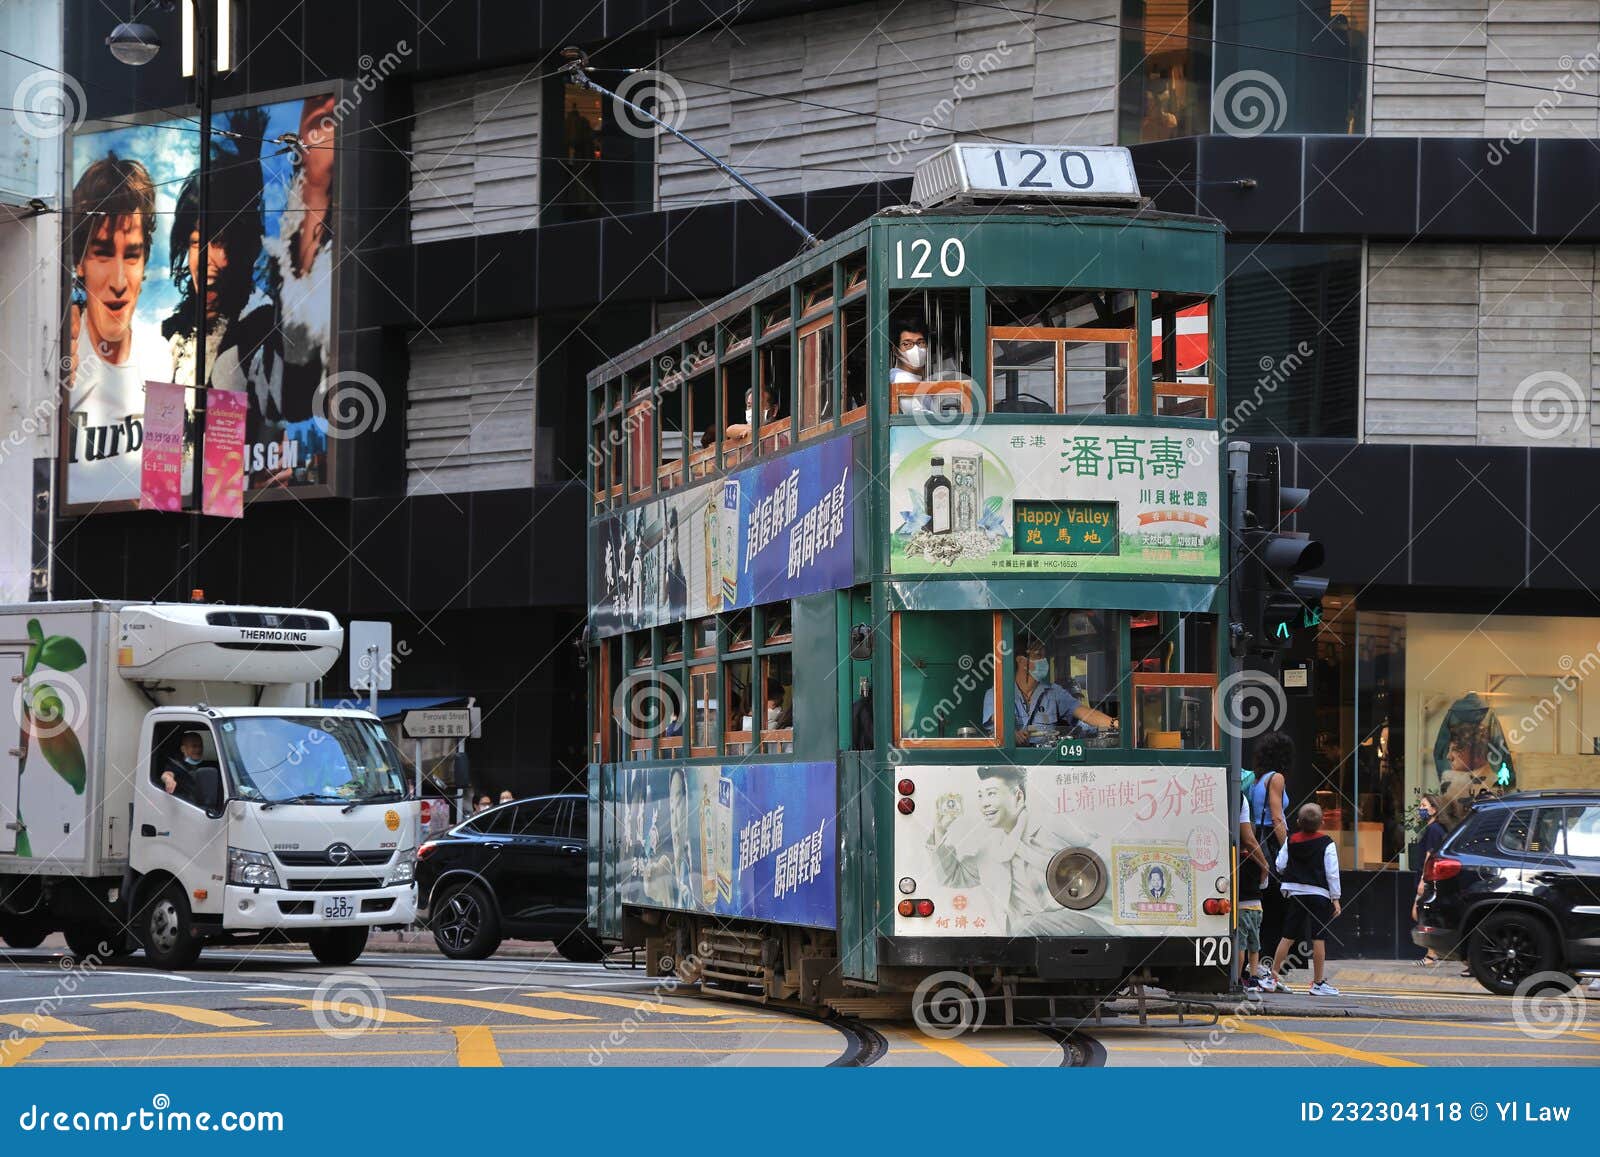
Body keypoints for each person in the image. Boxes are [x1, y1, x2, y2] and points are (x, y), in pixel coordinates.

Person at [66, 155, 174, 506]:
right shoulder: (60, 350)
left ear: (144, 263)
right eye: (102, 254)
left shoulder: (159, 356)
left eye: (131, 256)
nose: (118, 281)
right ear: (80, 262)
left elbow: (162, 486)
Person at [927, 765, 1108, 936]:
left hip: (1083, 922)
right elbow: (952, 877)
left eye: (991, 794)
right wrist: (939, 830)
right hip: (1027, 937)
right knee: (1022, 928)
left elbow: (1104, 853)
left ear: (1018, 797)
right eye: (980, 796)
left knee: (1023, 927)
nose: (984, 804)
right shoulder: (989, 850)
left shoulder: (1051, 825)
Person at [1262, 803, 1342, 997]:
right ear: (1322, 823)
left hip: (1295, 893)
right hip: (1320, 894)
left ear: (1298, 822)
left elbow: (1280, 865)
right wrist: (1336, 898)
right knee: (1318, 938)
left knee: (1287, 936)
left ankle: (1272, 979)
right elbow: (1332, 873)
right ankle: (1318, 983)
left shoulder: (1291, 840)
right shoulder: (1327, 843)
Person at [981, 636, 1116, 746]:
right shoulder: (996, 694)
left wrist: (1115, 724)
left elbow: (1085, 713)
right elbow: (996, 724)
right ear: (1021, 661)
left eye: (1044, 656)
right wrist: (1010, 734)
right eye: (1038, 656)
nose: (1043, 661)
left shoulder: (1054, 692)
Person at [1246, 730, 1293, 983]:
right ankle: (1268, 966)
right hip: (1271, 843)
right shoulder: (1276, 778)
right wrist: (1287, 848)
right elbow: (1277, 817)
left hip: (1257, 839)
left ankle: (1256, 964)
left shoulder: (1257, 779)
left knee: (1261, 903)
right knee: (1278, 905)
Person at [1237, 789, 1271, 996]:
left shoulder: (1235, 862)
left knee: (1240, 945)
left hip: (1240, 908)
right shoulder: (1257, 862)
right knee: (1254, 945)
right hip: (1257, 908)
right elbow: (1263, 884)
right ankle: (1254, 977)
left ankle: (1237, 977)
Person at [1412, 792, 1448, 966]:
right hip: (1431, 877)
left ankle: (1432, 954)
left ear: (1434, 809)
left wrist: (1423, 880)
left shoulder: (1434, 829)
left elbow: (1429, 856)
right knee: (1422, 914)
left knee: (1420, 913)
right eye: (1420, 806)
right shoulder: (1435, 828)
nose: (1421, 809)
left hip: (1428, 878)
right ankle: (1434, 952)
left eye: (1424, 806)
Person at [663, 507, 688, 618]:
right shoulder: (669, 567)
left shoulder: (678, 565)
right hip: (674, 608)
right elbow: (664, 598)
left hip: (679, 609)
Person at [890, 318, 928, 384]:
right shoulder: (903, 380)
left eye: (921, 343)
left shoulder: (913, 378)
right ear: (896, 351)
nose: (916, 349)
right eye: (907, 344)